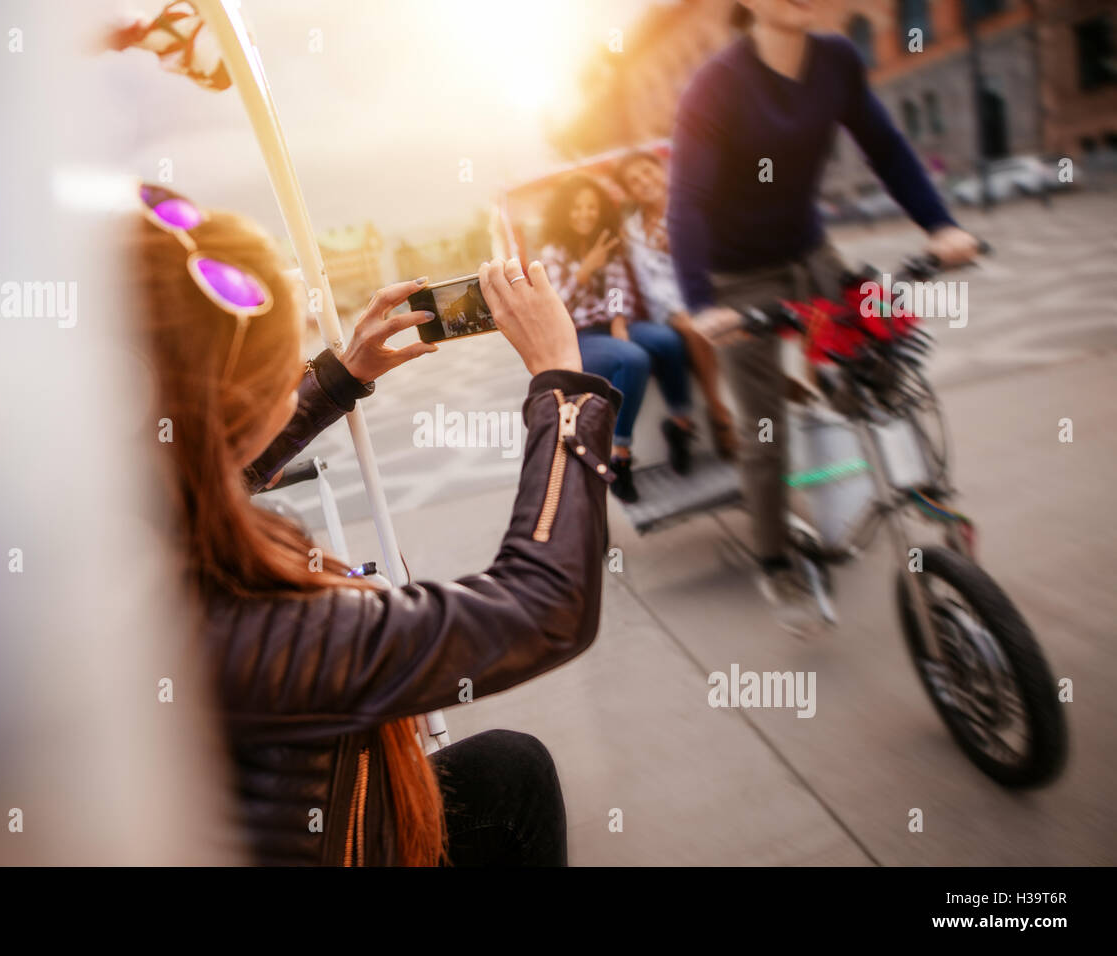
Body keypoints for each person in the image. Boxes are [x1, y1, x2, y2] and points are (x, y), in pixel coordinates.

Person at [133, 183, 622, 866]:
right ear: (241, 400)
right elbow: (545, 607)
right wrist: (561, 385)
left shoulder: (128, 524)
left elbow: (209, 469)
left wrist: (339, 376)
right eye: (286, 361)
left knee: (509, 773)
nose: (292, 373)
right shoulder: (252, 634)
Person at [668, 0, 980, 635]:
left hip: (811, 255)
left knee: (885, 367)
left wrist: (940, 226)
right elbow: (689, 201)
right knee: (765, 431)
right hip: (739, 277)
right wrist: (702, 304)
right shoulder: (716, 83)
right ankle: (777, 560)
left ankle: (924, 496)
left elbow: (885, 148)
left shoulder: (836, 58)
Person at [540, 173, 696, 503]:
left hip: (609, 327)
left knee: (667, 340)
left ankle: (680, 426)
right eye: (577, 207)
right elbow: (558, 309)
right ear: (565, 211)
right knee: (633, 359)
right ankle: (620, 455)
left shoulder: (606, 241)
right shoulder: (552, 253)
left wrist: (619, 323)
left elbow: (616, 290)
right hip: (577, 337)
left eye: (592, 207)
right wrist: (584, 270)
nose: (585, 214)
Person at [614, 149, 739, 461]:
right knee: (694, 327)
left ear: (662, 171)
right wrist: (678, 310)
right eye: (634, 181)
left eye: (647, 172)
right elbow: (649, 285)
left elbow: (722, 253)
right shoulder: (631, 231)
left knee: (715, 317)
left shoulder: (693, 208)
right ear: (629, 192)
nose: (644, 182)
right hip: (668, 308)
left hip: (708, 292)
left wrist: (680, 249)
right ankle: (719, 412)